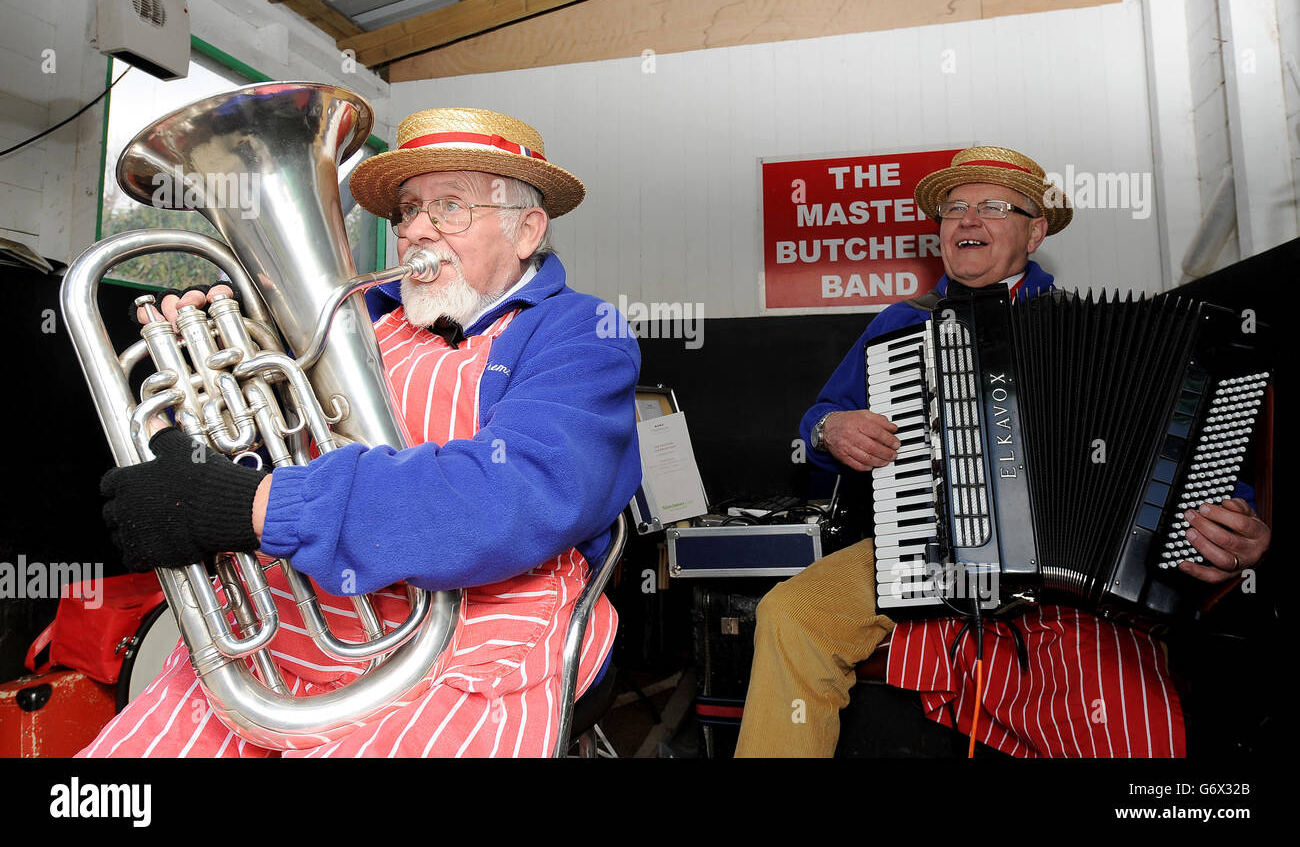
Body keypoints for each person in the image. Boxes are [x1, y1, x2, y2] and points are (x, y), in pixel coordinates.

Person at [83, 107, 642, 758]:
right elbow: (250, 455)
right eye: (407, 211)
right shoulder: (346, 319)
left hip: (474, 640)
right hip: (286, 629)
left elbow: (512, 498)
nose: (417, 233)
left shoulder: (579, 333)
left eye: (451, 207)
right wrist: (197, 404)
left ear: (526, 231)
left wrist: (256, 506)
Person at [735, 146, 1272, 758]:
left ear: (1035, 231)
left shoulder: (1103, 330)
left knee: (1126, 715)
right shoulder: (900, 323)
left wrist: (1237, 532)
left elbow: (1200, 468)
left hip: (1074, 587)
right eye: (954, 208)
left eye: (992, 206)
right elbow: (817, 422)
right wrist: (830, 428)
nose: (967, 220)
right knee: (790, 615)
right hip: (918, 547)